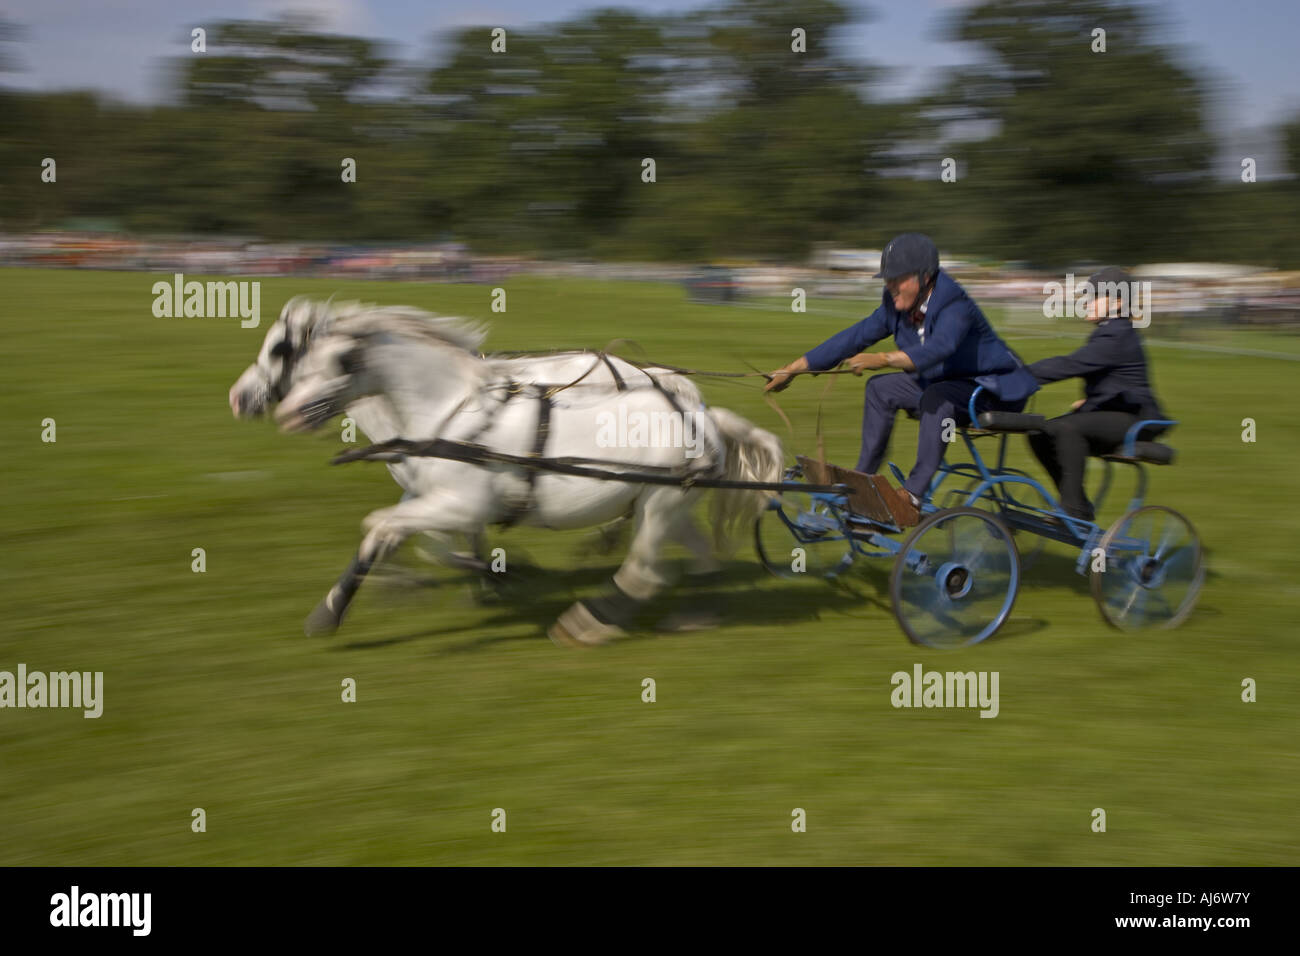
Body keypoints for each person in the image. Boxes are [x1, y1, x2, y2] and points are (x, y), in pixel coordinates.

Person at [766, 233, 1039, 526]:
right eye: (887, 279)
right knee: (881, 388)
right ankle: (861, 484)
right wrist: (794, 368)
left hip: (994, 389)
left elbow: (938, 349)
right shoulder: (893, 304)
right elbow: (854, 337)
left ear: (924, 278)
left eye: (897, 278)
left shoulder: (954, 303)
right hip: (948, 383)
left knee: (938, 396)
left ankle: (911, 496)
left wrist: (882, 359)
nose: (890, 285)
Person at [1025, 266, 1168, 522]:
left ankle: (1073, 509)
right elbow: (1112, 381)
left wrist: (1018, 374)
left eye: (1095, 296)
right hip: (1114, 413)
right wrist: (1092, 401)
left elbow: (1070, 365)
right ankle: (1077, 503)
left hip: (1136, 419)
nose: (1087, 302)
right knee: (1038, 432)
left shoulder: (1117, 334)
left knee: (1068, 428)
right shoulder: (1108, 332)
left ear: (1118, 302)